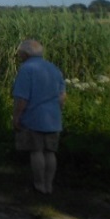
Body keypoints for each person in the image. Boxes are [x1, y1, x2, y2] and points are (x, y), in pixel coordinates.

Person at [12, 39, 66, 195]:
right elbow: (62, 96)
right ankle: (49, 186)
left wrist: (16, 117)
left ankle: (39, 185)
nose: (18, 54)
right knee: (50, 152)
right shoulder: (54, 69)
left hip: (34, 117)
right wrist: (58, 111)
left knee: (36, 151)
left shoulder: (27, 69)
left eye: (20, 52)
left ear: (26, 53)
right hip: (53, 117)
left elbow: (22, 98)